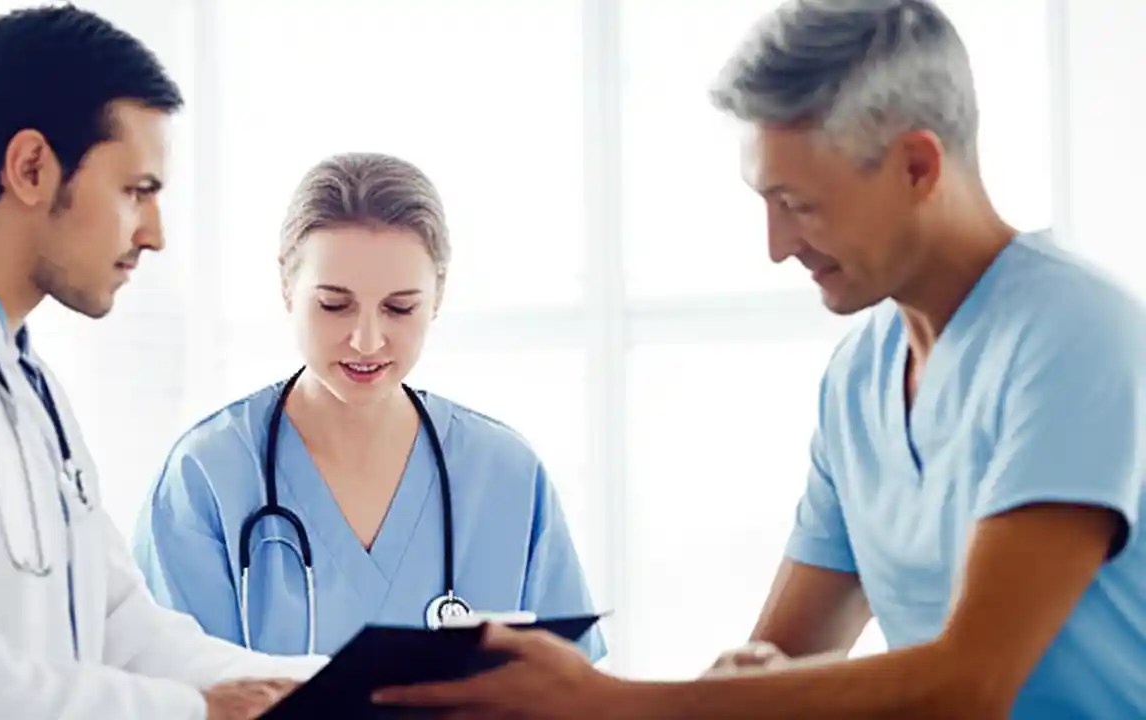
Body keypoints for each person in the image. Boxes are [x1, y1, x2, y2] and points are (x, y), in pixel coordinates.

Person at [372, 1, 1146, 717]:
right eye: (766, 203)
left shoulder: (1075, 332)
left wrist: (608, 703)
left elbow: (968, 684)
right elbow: (788, 660)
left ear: (917, 166)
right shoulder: (860, 377)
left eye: (800, 205)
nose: (778, 247)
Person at [0, 6, 327, 719]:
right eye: (135, 190)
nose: (155, 233)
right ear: (30, 168)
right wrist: (197, 712)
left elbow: (123, 629)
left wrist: (342, 686)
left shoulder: (25, 383)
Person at [131, 152, 606, 662]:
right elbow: (173, 694)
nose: (366, 340)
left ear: (438, 296)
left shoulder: (506, 475)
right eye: (334, 304)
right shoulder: (206, 475)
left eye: (400, 308)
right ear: (287, 286)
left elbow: (574, 694)